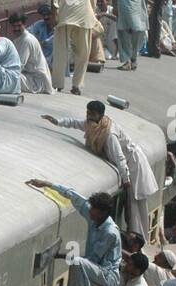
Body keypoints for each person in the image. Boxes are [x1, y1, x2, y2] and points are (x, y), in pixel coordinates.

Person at [42, 100, 157, 241]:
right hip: (125, 164)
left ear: (100, 115)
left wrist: (126, 180)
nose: (89, 116)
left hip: (132, 166)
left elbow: (120, 157)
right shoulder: (94, 125)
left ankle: (138, 239)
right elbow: (76, 123)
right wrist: (57, 121)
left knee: (134, 205)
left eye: (92, 114)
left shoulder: (109, 134)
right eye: (88, 113)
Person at [28, 180, 121, 286]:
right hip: (93, 269)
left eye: (93, 209)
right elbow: (75, 197)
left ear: (102, 212)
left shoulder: (110, 233)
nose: (89, 211)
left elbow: (93, 260)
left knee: (77, 262)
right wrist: (48, 184)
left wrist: (66, 257)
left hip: (104, 276)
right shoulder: (94, 218)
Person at [5, 12, 52, 93]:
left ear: (24, 25)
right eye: (14, 26)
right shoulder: (19, 38)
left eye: (19, 26)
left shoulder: (27, 40)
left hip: (37, 81)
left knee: (7, 77)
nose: (16, 29)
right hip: (29, 76)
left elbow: (19, 66)